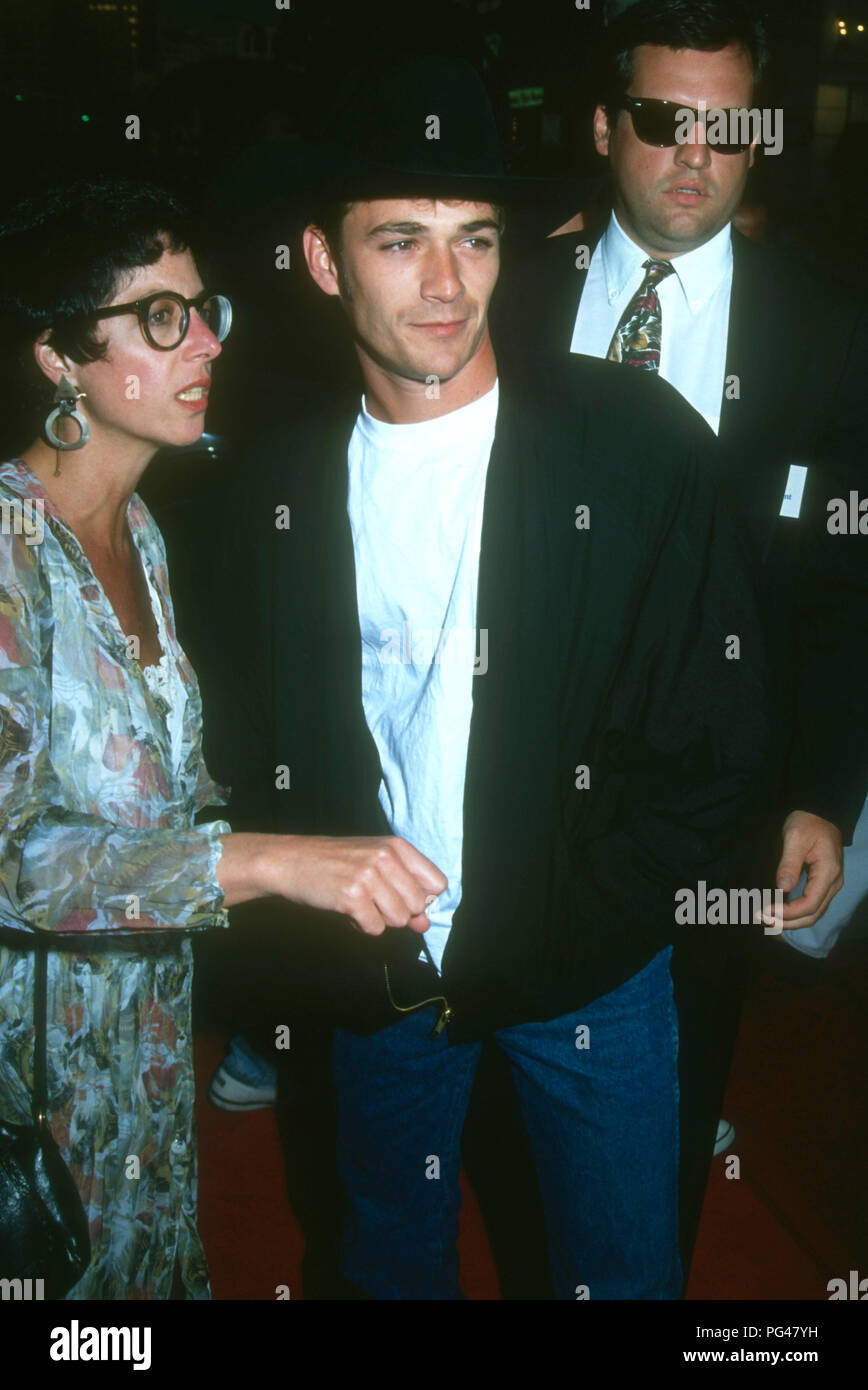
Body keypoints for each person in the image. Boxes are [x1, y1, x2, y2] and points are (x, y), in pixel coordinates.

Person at [187, 55, 775, 1299]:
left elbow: (719, 731)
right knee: (389, 1263)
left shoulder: (632, 443)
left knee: (618, 1276)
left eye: (475, 238)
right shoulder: (271, 483)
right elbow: (250, 736)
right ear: (320, 259)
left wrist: (588, 913)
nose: (448, 284)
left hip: (588, 969)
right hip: (379, 969)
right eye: (400, 241)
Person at [0, 178, 445, 1300]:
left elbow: (169, 795)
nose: (204, 342)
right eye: (159, 318)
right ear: (59, 357)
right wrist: (269, 860)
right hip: (29, 1067)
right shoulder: (9, 554)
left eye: (204, 311)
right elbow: (9, 865)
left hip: (140, 1044)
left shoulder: (141, 529)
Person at [491, 0, 868, 1273]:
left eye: (728, 127)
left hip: (716, 796)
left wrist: (822, 795)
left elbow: (845, 585)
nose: (695, 155)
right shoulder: (501, 294)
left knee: (664, 1109)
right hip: (506, 776)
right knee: (488, 1109)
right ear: (605, 127)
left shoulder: (825, 327)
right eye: (664, 122)